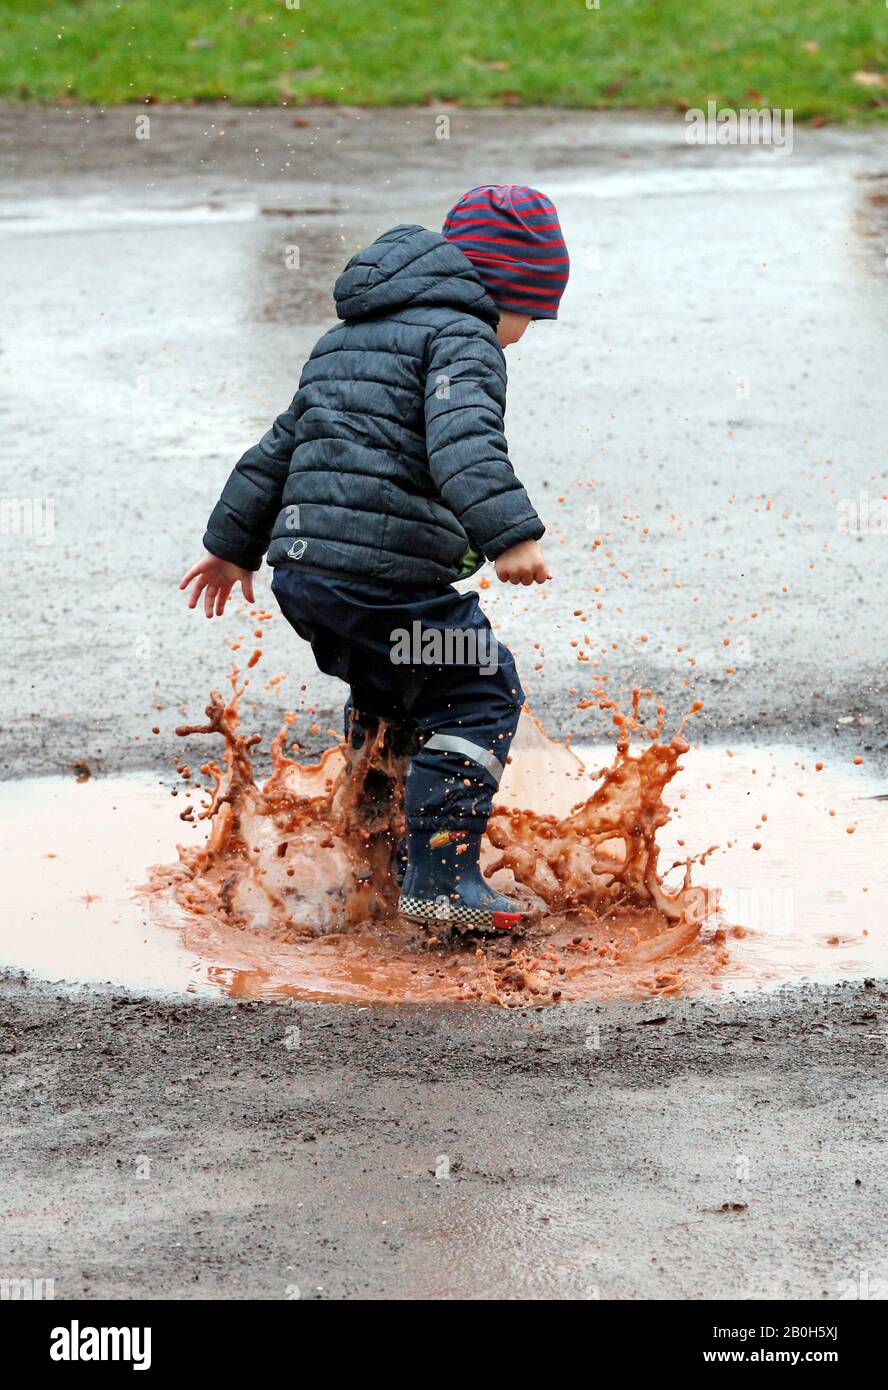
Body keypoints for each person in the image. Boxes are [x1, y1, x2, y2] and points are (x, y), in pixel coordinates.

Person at [180, 184, 569, 932]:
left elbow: (277, 451)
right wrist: (509, 533)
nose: (524, 333)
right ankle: (444, 877)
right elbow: (464, 442)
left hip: (308, 577)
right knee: (480, 686)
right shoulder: (464, 338)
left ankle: (372, 857)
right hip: (381, 580)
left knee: (395, 697)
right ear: (502, 288)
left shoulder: (347, 338)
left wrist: (231, 547)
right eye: (531, 313)